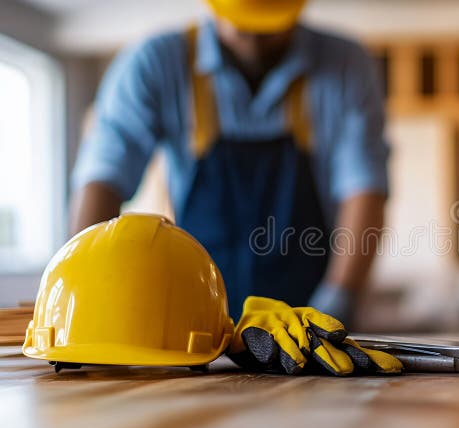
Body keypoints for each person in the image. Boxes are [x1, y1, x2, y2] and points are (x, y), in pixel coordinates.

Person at [70, 0, 389, 324]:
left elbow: (364, 188)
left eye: (268, 28)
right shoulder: (155, 63)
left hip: (308, 311)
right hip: (195, 317)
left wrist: (339, 297)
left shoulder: (346, 65)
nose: (254, 38)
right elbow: (103, 176)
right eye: (242, 26)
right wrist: (85, 291)